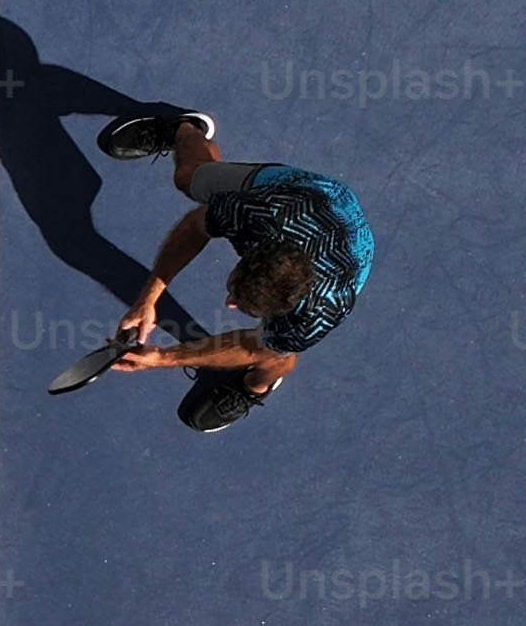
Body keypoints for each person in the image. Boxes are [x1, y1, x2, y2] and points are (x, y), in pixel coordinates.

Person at [92, 107, 374, 433]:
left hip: (353, 253)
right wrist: (148, 298)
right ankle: (185, 128)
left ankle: (253, 388)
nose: (228, 301)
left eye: (240, 304)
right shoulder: (256, 211)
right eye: (235, 290)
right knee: (189, 177)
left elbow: (258, 346)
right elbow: (194, 227)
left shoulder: (322, 310)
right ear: (253, 252)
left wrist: (164, 358)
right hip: (310, 193)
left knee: (275, 358)